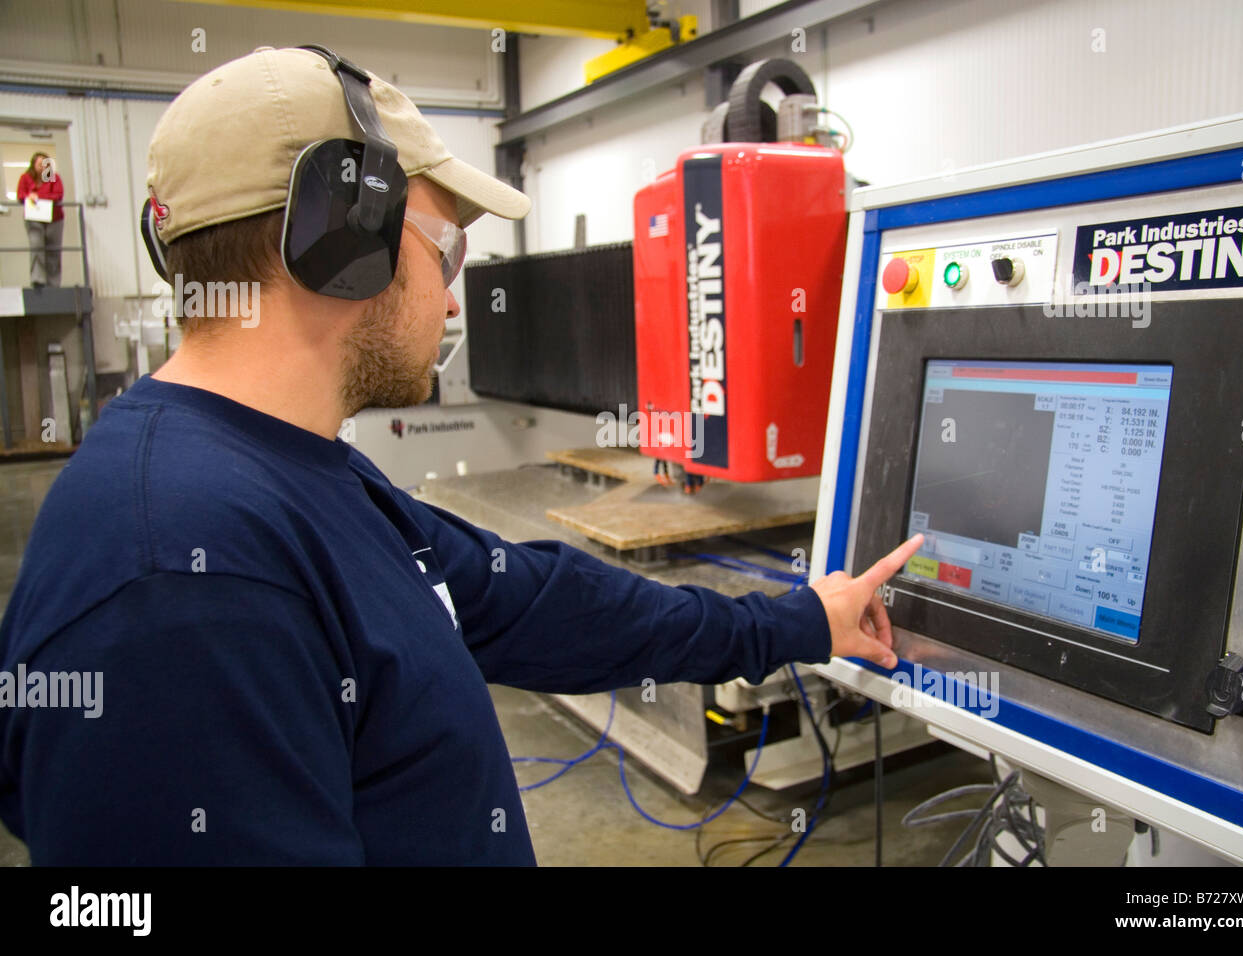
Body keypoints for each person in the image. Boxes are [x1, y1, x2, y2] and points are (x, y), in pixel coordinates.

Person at [0, 46, 921, 865]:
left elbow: (535, 601)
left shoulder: (292, 470)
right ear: (341, 240)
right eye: (446, 252)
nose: (452, 305)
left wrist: (800, 621)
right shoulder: (181, 583)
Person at [15, 152, 64, 288]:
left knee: (53, 249)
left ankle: (54, 283)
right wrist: (29, 195)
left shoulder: (54, 178)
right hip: (34, 218)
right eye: (39, 164)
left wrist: (38, 195)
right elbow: (20, 195)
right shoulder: (25, 178)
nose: (42, 167)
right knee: (36, 246)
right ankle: (38, 280)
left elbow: (58, 195)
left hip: (54, 219)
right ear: (33, 165)